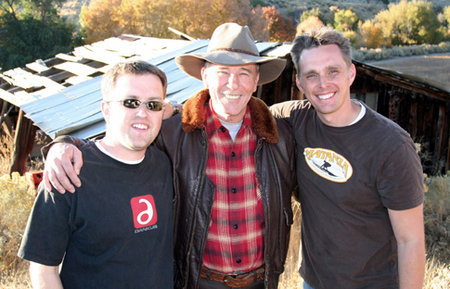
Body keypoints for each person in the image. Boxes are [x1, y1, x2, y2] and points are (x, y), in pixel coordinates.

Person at [41, 23, 297, 289]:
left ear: (257, 80)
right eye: (223, 72)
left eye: (244, 73)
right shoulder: (171, 133)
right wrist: (65, 143)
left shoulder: (281, 138)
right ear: (205, 75)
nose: (233, 84)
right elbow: (118, 142)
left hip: (262, 282)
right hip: (196, 281)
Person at [270, 27, 425, 289]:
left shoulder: (391, 146)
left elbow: (411, 240)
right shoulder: (295, 119)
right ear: (299, 82)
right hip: (313, 283)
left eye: (333, 71)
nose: (323, 84)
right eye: (312, 75)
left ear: (351, 73)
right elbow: (242, 113)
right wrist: (178, 111)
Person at [18, 61, 174, 289]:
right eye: (130, 103)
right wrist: (60, 145)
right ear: (107, 109)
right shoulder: (68, 172)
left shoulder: (165, 163)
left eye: (153, 104)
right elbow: (42, 269)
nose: (143, 113)